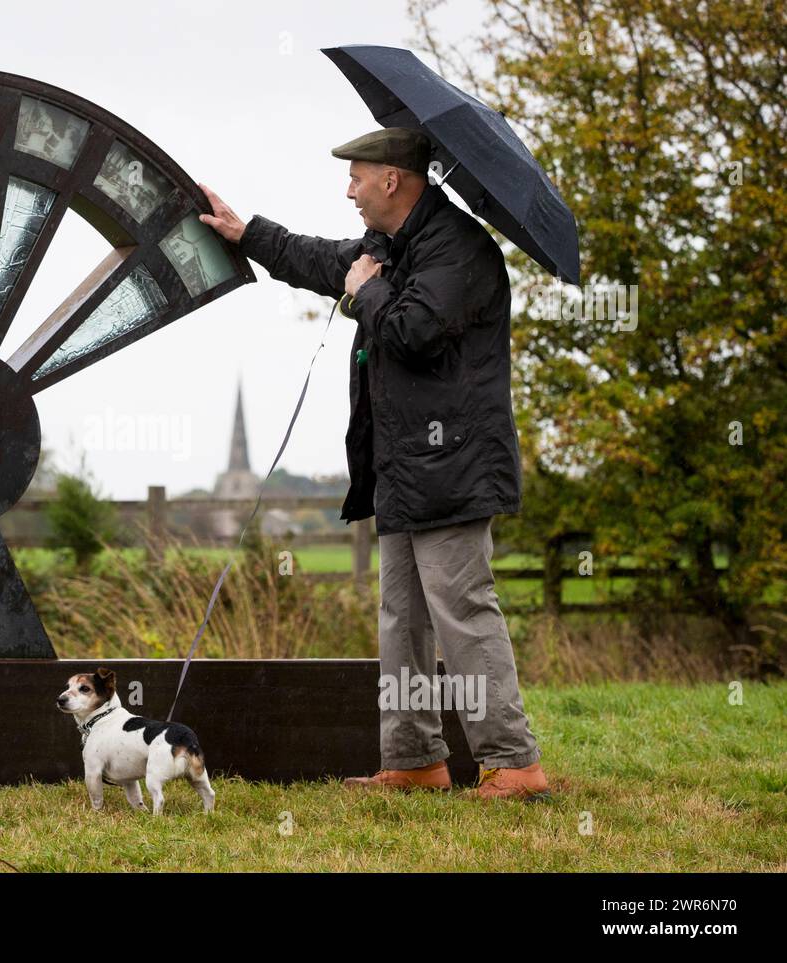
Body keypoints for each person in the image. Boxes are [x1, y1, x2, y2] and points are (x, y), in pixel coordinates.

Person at [198, 127, 549, 801]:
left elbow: (412, 331)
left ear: (392, 179)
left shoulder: (458, 250)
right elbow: (322, 259)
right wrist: (247, 233)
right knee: (402, 617)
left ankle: (515, 763)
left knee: (464, 610)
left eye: (357, 176)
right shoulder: (393, 246)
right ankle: (416, 758)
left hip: (453, 466)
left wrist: (366, 289)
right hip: (403, 468)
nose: (349, 189)